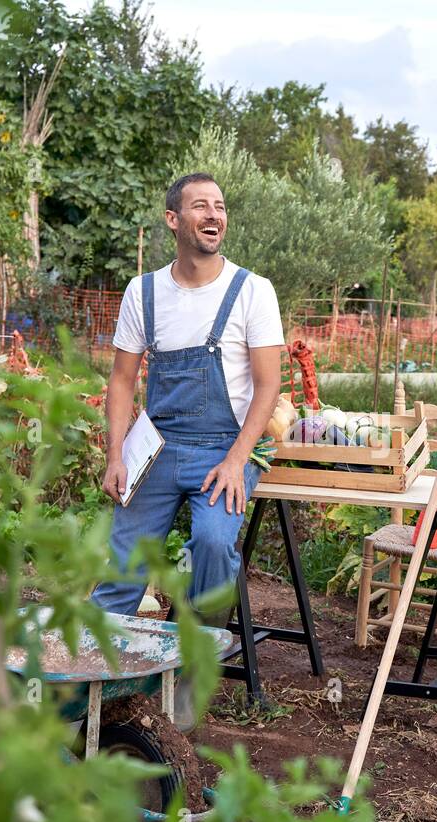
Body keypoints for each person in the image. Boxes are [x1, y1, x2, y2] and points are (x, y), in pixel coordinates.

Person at [91, 172, 283, 622]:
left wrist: (237, 461)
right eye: (201, 205)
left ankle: (191, 666)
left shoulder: (252, 291)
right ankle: (88, 682)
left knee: (214, 545)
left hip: (224, 449)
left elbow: (268, 386)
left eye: (219, 206)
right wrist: (116, 456)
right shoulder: (145, 292)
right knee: (125, 564)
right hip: (156, 449)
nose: (214, 214)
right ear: (173, 219)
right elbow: (122, 380)